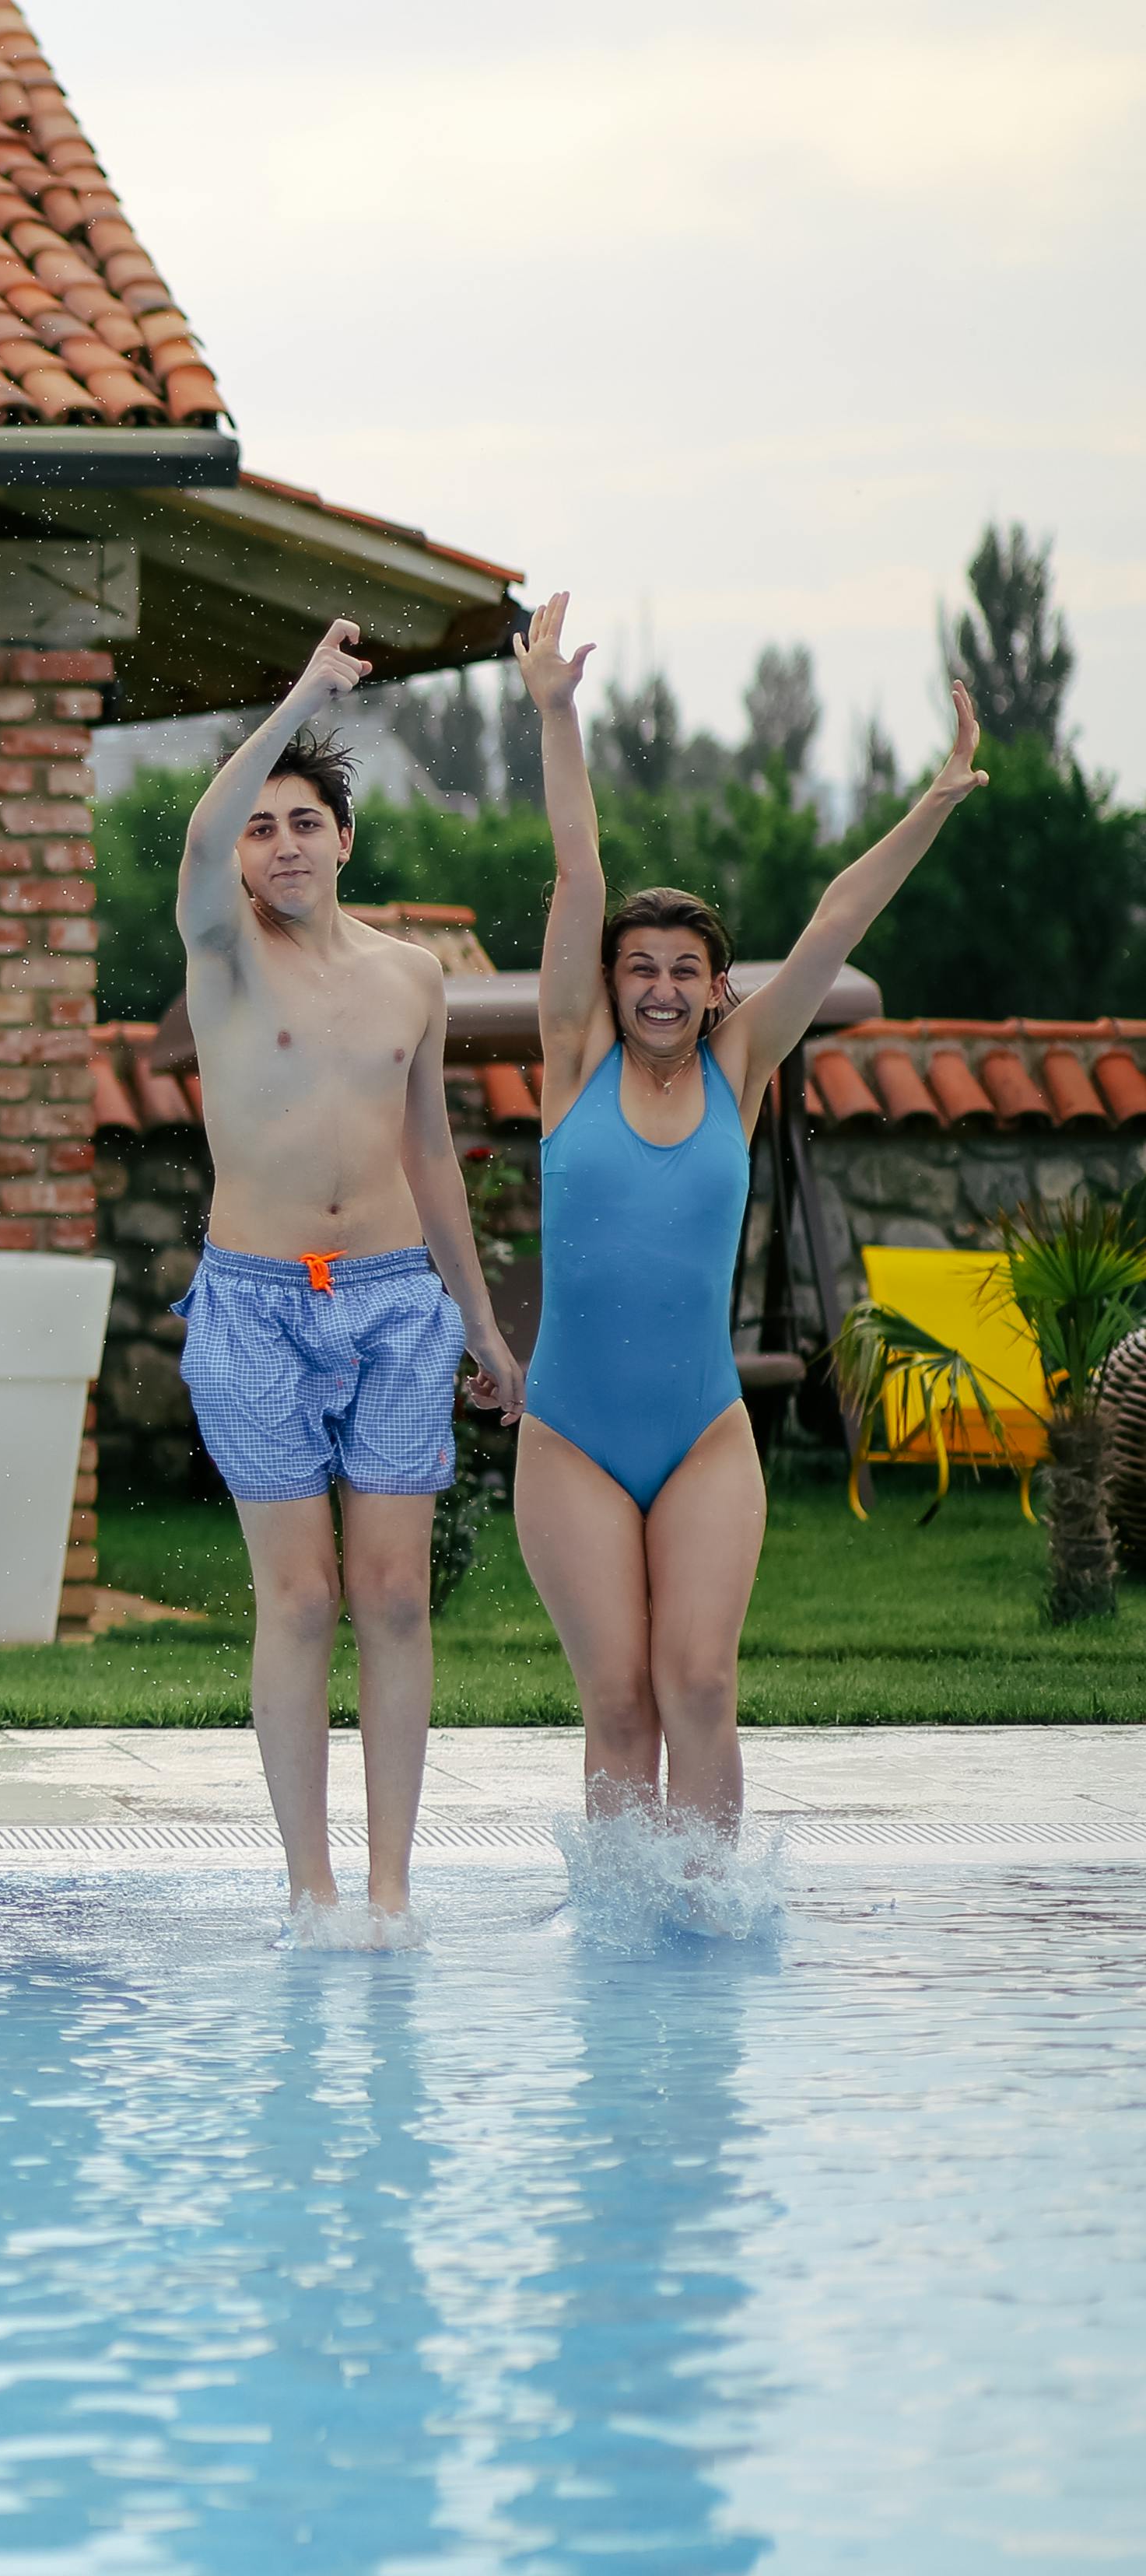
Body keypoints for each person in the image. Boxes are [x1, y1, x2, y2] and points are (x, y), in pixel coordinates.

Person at [517, 599, 987, 1833]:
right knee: (619, 1701)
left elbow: (837, 919)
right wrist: (556, 715)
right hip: (569, 1437)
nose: (662, 989)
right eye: (640, 969)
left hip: (702, 1432)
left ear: (715, 989)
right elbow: (581, 869)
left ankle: (708, 1930)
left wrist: (933, 802)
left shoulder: (741, 1068)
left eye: (686, 971)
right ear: (610, 986)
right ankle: (625, 1948)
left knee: (702, 1683)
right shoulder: (573, 1067)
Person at [173, 619, 524, 1937]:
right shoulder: (220, 952)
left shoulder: (406, 978)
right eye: (260, 826)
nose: (275, 846)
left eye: (300, 822)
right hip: (254, 1300)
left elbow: (429, 1151)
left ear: (342, 838)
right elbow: (201, 840)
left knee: (388, 1592)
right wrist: (301, 697)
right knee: (301, 1594)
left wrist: (480, 1323)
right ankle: (307, 1885)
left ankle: (386, 1889)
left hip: (389, 1296)